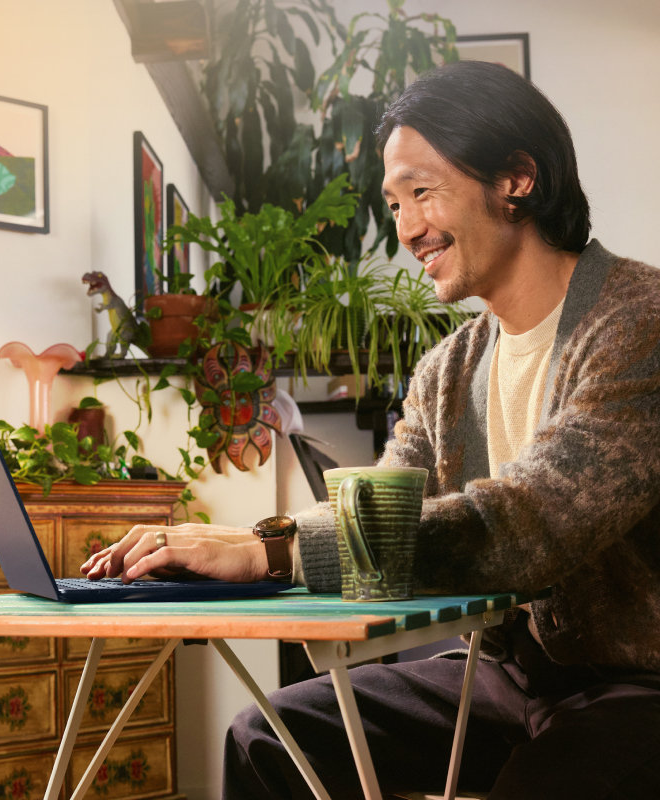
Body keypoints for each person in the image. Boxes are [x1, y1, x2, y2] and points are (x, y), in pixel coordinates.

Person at [81, 60, 660, 799]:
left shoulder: (639, 322)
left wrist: (274, 553)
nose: (407, 228)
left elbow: (527, 523)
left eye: (423, 191)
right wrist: (240, 541)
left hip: (640, 685)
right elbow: (380, 509)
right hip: (512, 673)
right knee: (270, 738)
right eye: (393, 203)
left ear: (517, 178)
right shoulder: (449, 368)